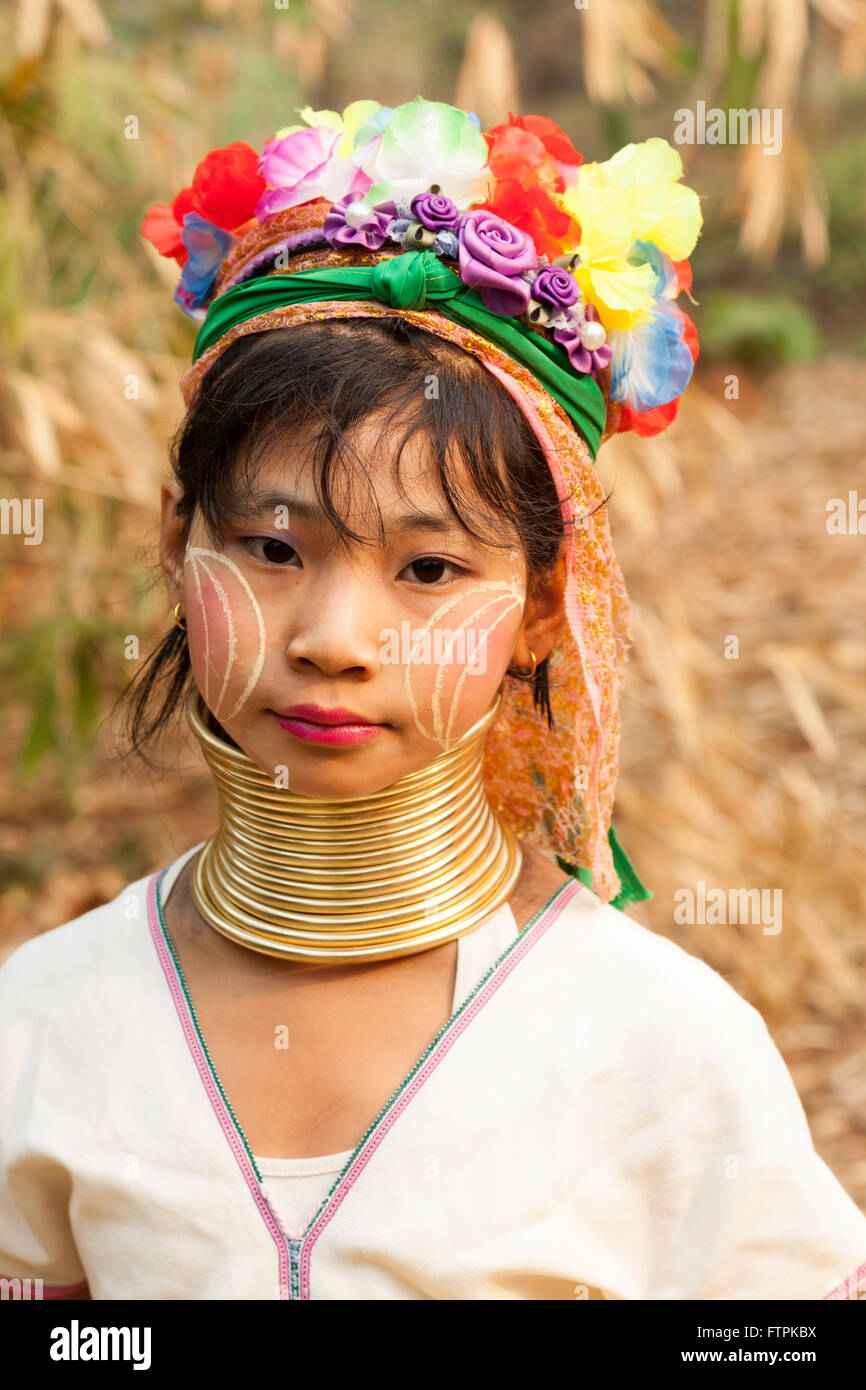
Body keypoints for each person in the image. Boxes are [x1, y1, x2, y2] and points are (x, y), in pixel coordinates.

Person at [1, 97, 863, 1301]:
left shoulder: (659, 1053)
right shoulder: (41, 1024)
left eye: (428, 569)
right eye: (270, 546)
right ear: (173, 537)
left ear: (545, 603)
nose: (333, 640)